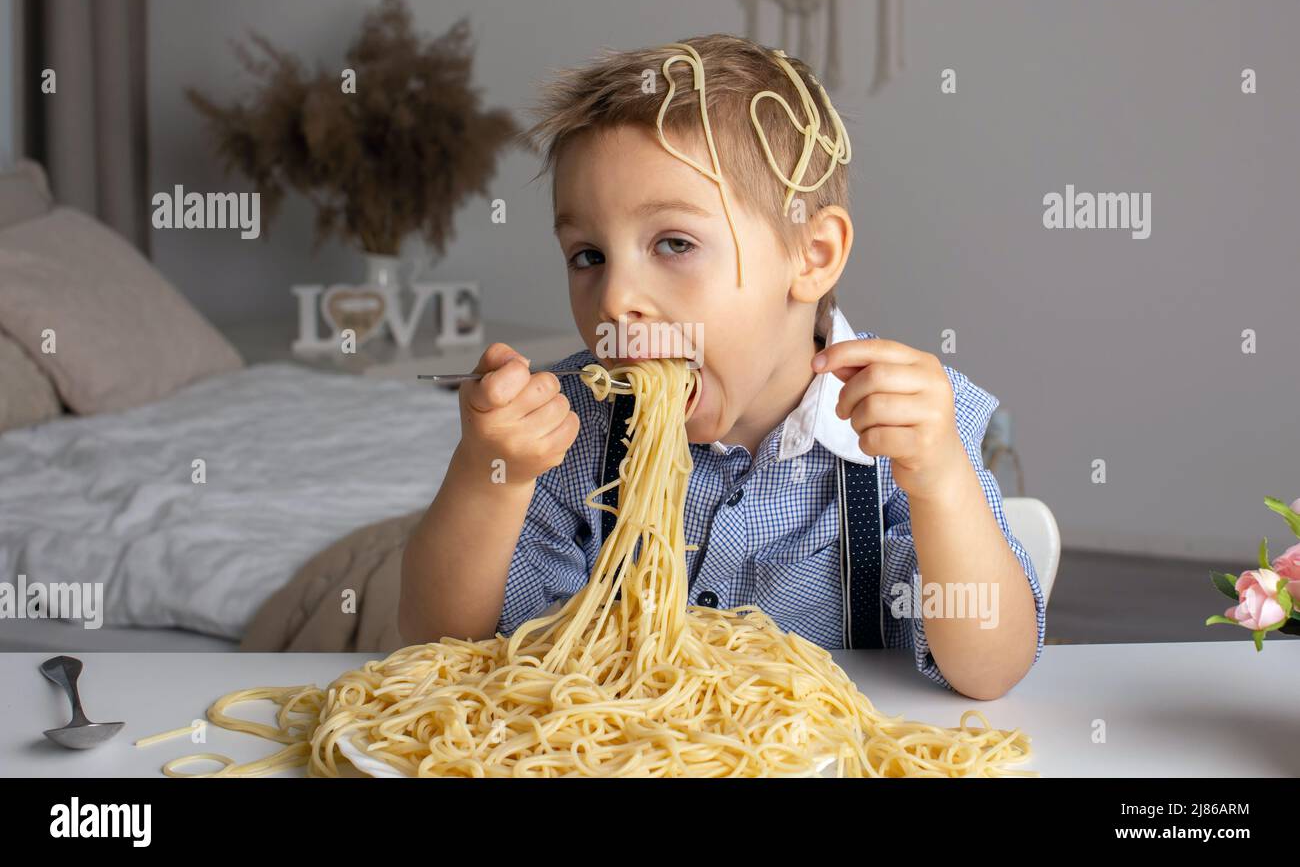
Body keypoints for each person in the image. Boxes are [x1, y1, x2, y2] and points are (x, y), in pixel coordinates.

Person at [399, 34, 1045, 700]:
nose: (616, 300)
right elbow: (439, 652)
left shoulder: (902, 433)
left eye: (673, 243)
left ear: (812, 256)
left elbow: (990, 669)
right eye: (588, 255)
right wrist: (487, 477)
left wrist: (939, 481)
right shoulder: (571, 430)